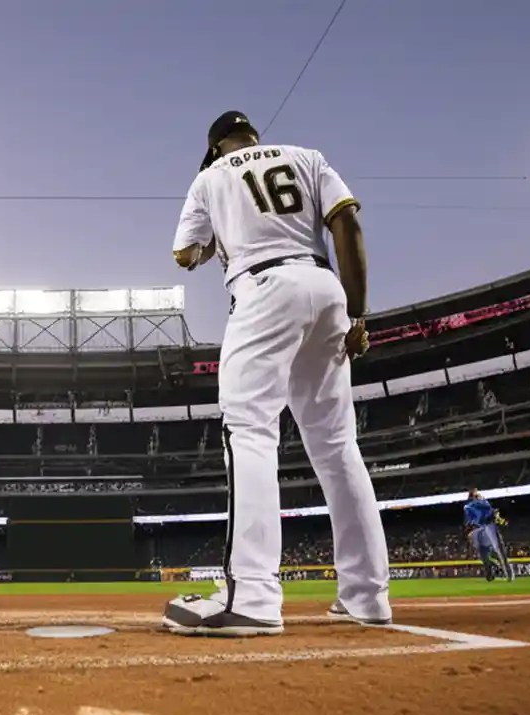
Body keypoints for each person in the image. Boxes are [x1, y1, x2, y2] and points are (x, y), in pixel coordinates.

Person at [163, 111, 391, 636]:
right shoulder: (306, 157)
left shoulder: (210, 176)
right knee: (338, 448)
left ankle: (253, 595)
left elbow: (184, 254)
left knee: (249, 431)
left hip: (263, 291)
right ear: (252, 137)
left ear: (216, 147)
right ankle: (367, 595)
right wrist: (357, 315)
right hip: (325, 287)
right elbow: (347, 223)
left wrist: (214, 240)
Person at [464, 489, 513, 582]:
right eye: (476, 493)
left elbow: (489, 512)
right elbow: (470, 520)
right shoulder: (471, 505)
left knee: (496, 550)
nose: (478, 494)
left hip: (486, 526)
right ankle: (491, 574)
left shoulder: (479, 503)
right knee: (485, 553)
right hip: (480, 528)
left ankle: (506, 574)